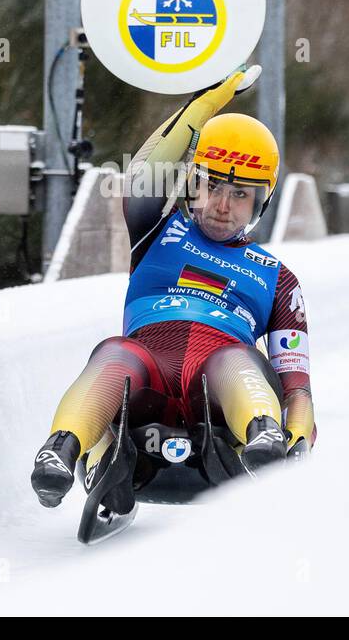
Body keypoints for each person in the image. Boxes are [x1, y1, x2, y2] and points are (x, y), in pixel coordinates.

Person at [30, 67, 316, 508]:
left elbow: (297, 386)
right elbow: (143, 176)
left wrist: (298, 439)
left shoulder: (278, 278)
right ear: (191, 182)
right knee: (116, 352)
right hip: (146, 378)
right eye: (210, 186)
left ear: (261, 202)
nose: (222, 206)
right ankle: (61, 450)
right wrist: (204, 105)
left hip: (218, 393)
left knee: (237, 359)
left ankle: (264, 436)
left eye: (240, 194)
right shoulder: (157, 229)